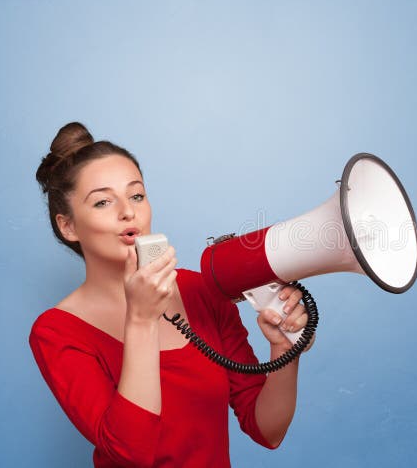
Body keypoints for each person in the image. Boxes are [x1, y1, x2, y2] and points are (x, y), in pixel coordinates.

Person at [29, 122, 313, 467]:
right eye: (103, 202)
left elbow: (267, 430)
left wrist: (285, 350)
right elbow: (129, 452)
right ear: (68, 226)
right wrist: (142, 319)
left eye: (136, 195)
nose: (127, 211)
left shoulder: (201, 291)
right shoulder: (56, 332)